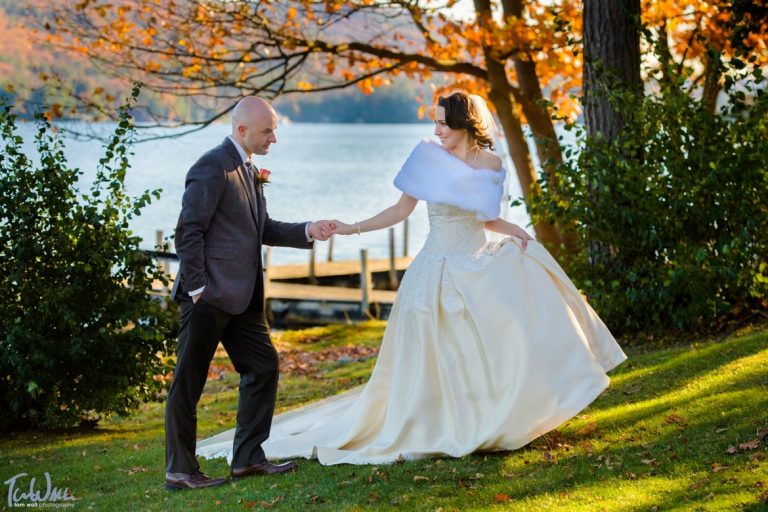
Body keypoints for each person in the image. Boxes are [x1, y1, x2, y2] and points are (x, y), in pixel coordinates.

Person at [196, 91, 627, 466]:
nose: (436, 130)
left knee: (497, 331)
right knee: (434, 351)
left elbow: (489, 218)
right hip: (433, 268)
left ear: (464, 124)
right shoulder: (426, 157)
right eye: (435, 122)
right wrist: (351, 227)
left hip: (474, 259)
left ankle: (493, 415)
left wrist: (518, 234)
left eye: (442, 123)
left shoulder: (492, 162)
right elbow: (400, 212)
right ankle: (435, 421)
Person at [165, 96, 335, 490]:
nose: (274, 137)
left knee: (263, 367)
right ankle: (180, 470)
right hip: (207, 297)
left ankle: (247, 459)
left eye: (274, 129)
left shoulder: (248, 169)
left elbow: (261, 227)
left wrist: (309, 229)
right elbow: (187, 231)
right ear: (242, 130)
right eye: (267, 130)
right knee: (188, 384)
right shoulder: (212, 166)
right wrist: (198, 288)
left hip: (243, 297)